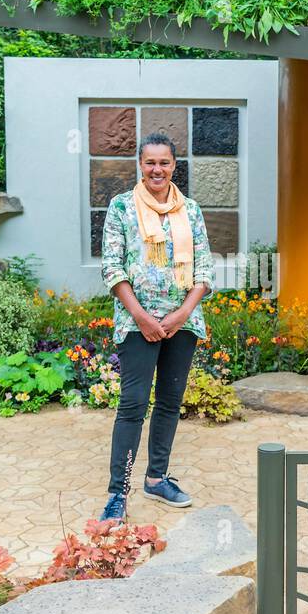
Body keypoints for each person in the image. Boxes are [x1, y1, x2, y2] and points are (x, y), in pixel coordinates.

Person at [98, 132, 214, 522]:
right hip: (137, 323)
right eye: (150, 162)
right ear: (140, 164)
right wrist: (143, 318)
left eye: (164, 162)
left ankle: (157, 478)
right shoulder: (121, 207)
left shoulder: (191, 210)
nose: (157, 169)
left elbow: (204, 269)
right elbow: (112, 267)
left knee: (168, 402)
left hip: (182, 321)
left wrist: (182, 314)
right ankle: (118, 493)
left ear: (174, 166)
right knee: (132, 406)